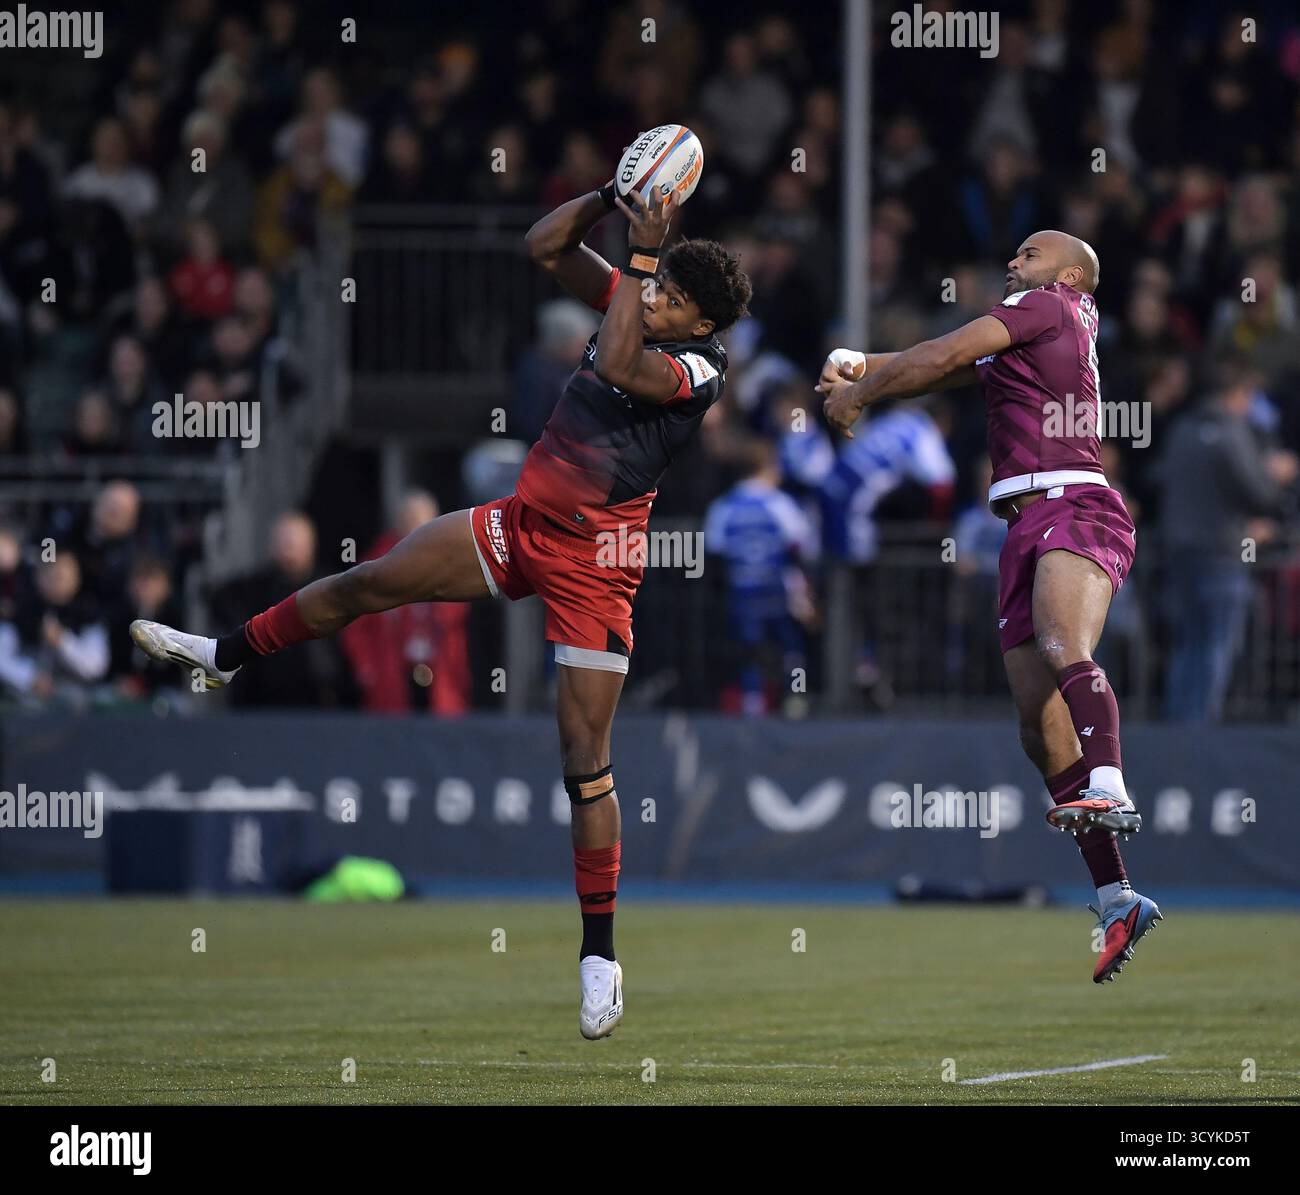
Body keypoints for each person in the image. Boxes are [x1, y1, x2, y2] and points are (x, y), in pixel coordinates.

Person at [131, 180, 752, 1038]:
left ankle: (599, 954)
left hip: (596, 566)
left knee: (584, 762)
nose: (657, 300)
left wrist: (641, 253)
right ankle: (223, 652)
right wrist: (614, 194)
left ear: (702, 326)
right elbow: (542, 247)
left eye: (675, 301)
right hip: (525, 521)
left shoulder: (699, 372)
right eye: (660, 287)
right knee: (368, 582)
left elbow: (613, 365)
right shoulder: (642, 304)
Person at [819, 229, 1161, 984]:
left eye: (1031, 252)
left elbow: (940, 354)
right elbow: (942, 365)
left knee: (1061, 640)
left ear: (1070, 273)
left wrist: (862, 392)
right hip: (1024, 522)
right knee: (1038, 730)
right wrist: (865, 365)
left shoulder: (1050, 303)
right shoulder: (1038, 328)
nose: (1015, 260)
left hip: (1074, 503)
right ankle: (1116, 896)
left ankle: (1109, 782)